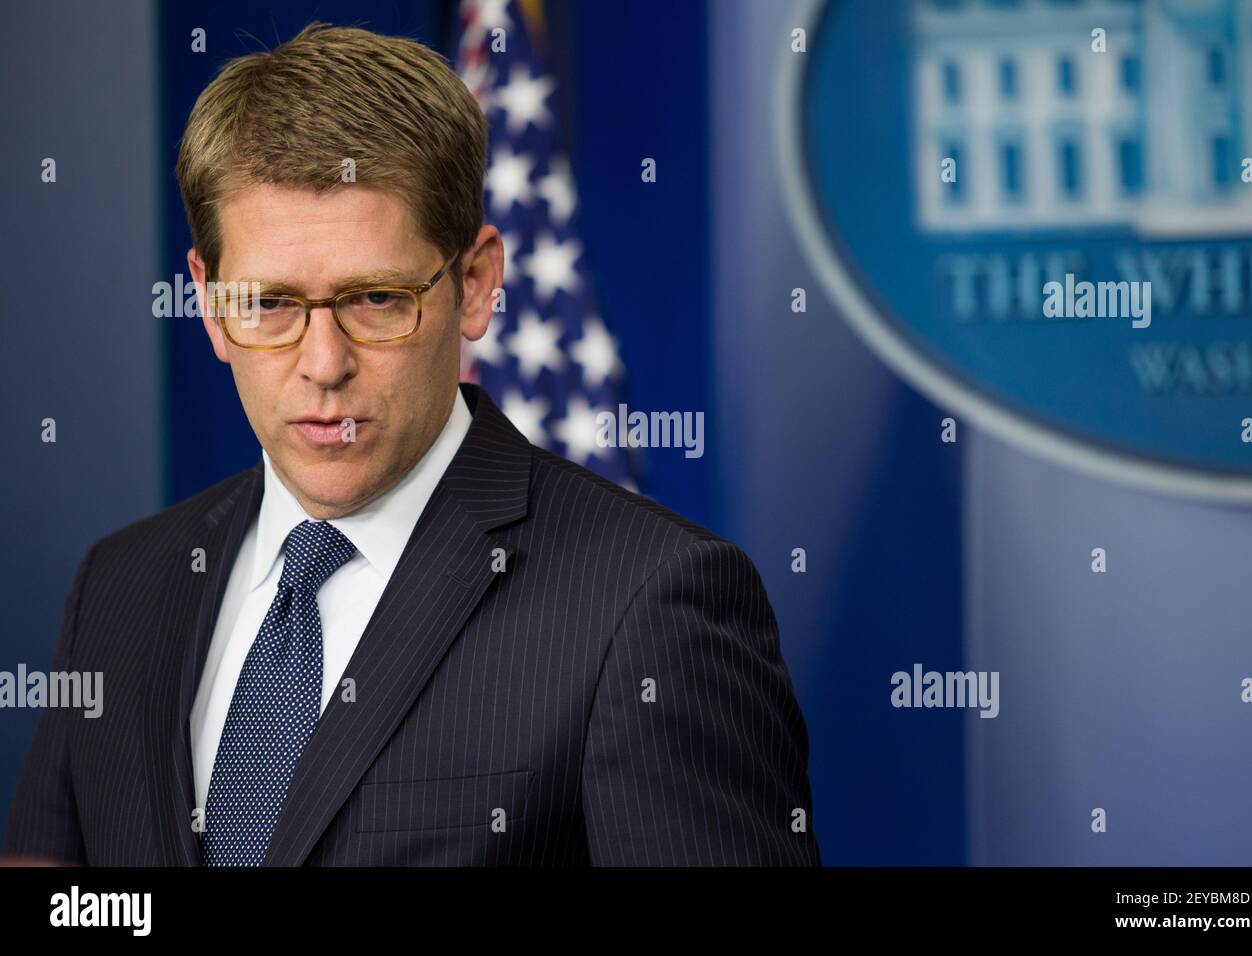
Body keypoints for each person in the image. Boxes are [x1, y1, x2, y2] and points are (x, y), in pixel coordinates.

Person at [4, 23, 819, 866]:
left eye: (377, 299)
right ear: (209, 303)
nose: (324, 364)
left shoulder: (648, 601)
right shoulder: (119, 587)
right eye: (269, 305)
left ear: (477, 284)